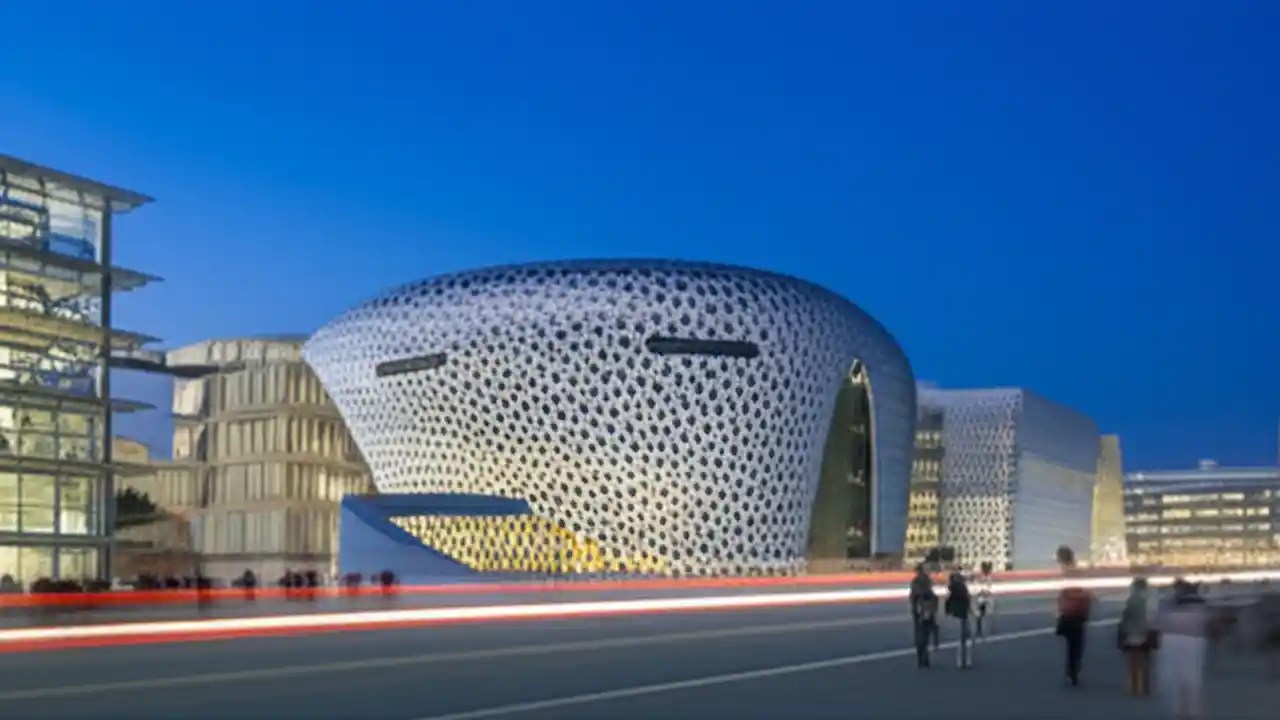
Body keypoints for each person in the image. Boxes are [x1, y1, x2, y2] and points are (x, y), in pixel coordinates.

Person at [1156, 579, 1209, 718]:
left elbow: (1159, 622)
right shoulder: (1198, 603)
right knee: (1189, 678)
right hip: (1192, 641)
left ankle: (1182, 711)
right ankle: (1190, 711)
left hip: (1177, 641)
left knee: (1178, 679)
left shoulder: (1167, 603)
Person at [1118, 577, 1153, 696]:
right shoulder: (1150, 600)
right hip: (1146, 632)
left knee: (1133, 660)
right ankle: (1145, 686)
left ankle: (1133, 686)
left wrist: (1123, 632)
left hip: (1133, 632)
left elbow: (1126, 618)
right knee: (1145, 660)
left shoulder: (1131, 600)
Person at [1056, 579, 1093, 686]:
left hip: (1067, 622)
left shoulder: (1065, 593)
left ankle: (1070, 670)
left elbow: (1060, 607)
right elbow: (1087, 607)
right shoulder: (1083, 594)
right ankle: (1075, 671)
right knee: (1077, 649)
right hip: (1078, 623)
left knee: (1070, 648)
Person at [945, 570, 974, 668]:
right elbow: (967, 601)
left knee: (959, 640)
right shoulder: (962, 589)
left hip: (955, 615)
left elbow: (948, 604)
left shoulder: (951, 591)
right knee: (967, 638)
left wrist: (948, 612)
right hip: (963, 614)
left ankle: (960, 661)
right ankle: (968, 660)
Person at [913, 586, 940, 668]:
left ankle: (922, 660)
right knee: (924, 640)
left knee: (922, 640)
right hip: (925, 620)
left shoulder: (919, 597)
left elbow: (915, 610)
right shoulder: (929, 597)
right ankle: (924, 659)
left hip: (923, 620)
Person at [974, 561, 994, 640]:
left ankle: (982, 630)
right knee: (981, 614)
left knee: (983, 614)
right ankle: (980, 630)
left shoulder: (987, 577)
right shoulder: (982, 577)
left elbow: (988, 586)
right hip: (982, 597)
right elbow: (979, 586)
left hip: (985, 596)